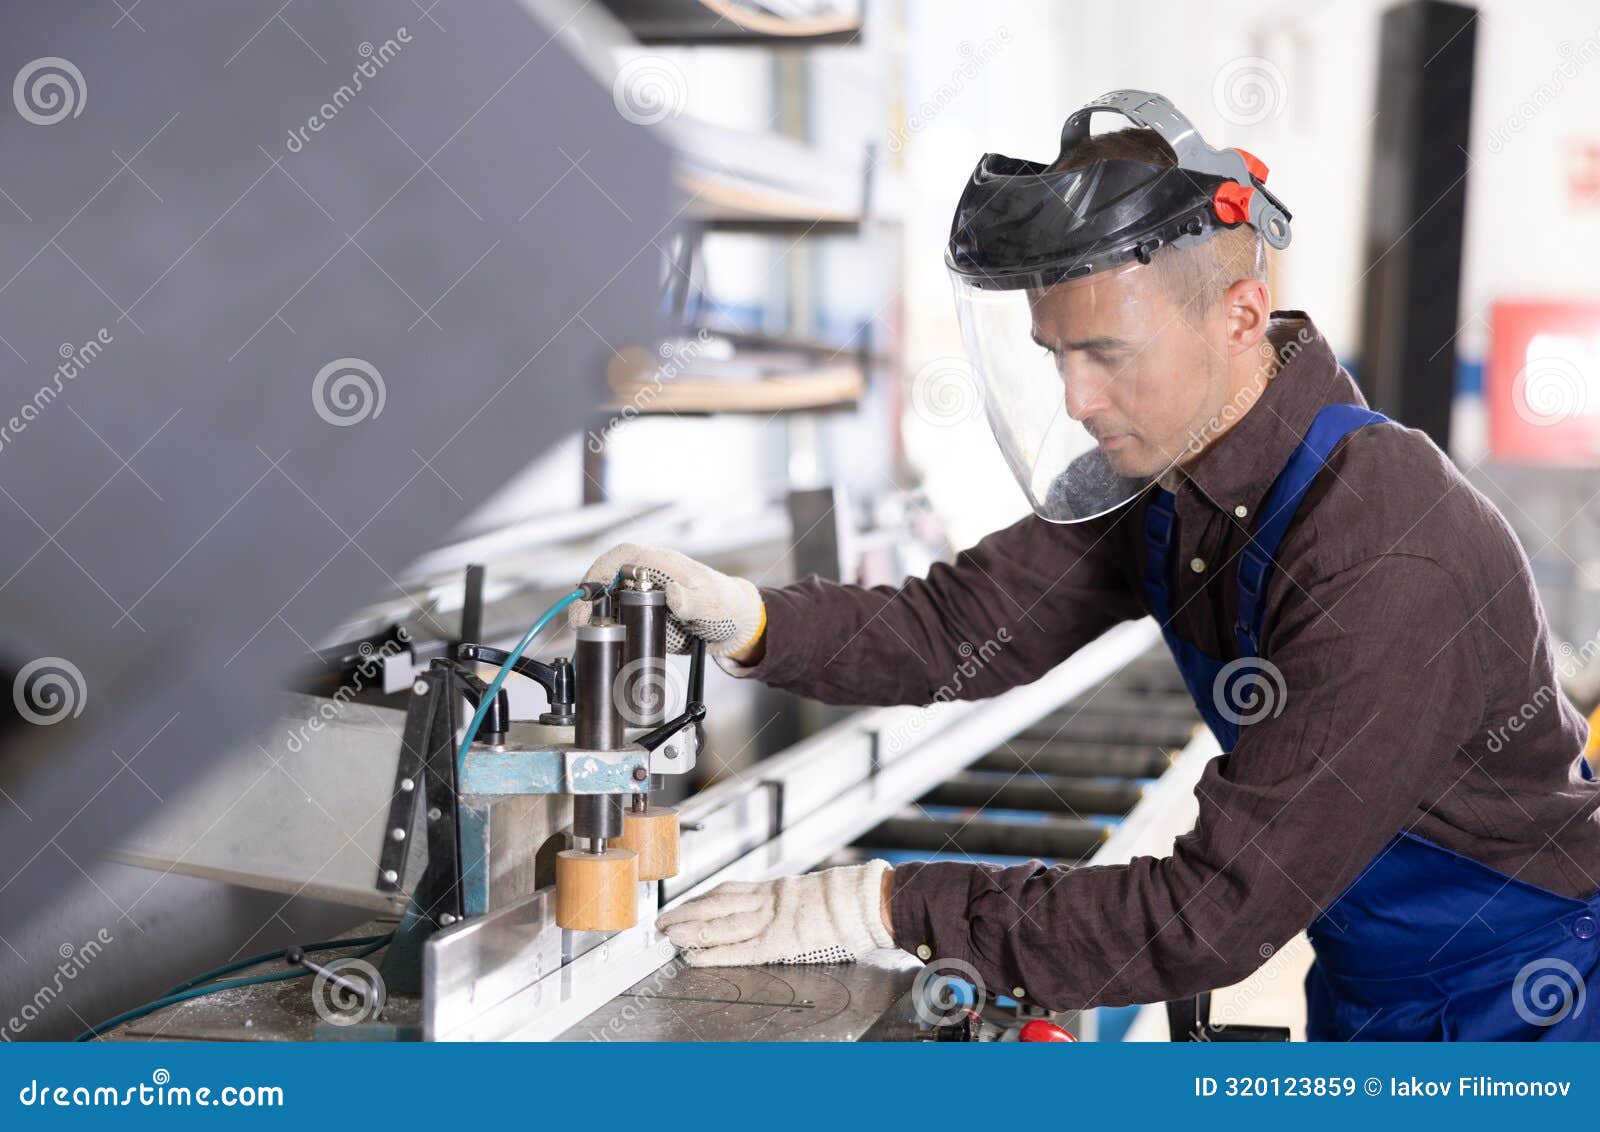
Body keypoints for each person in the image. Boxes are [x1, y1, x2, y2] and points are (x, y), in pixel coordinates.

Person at [577, 92, 1600, 1040]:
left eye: (1105, 353)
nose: (1074, 399)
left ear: (1241, 317)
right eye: (1053, 355)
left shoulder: (1382, 547)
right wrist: (748, 618)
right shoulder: (1168, 467)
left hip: (1524, 1004)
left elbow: (1212, 911)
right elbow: (958, 628)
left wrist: (882, 903)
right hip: (1372, 986)